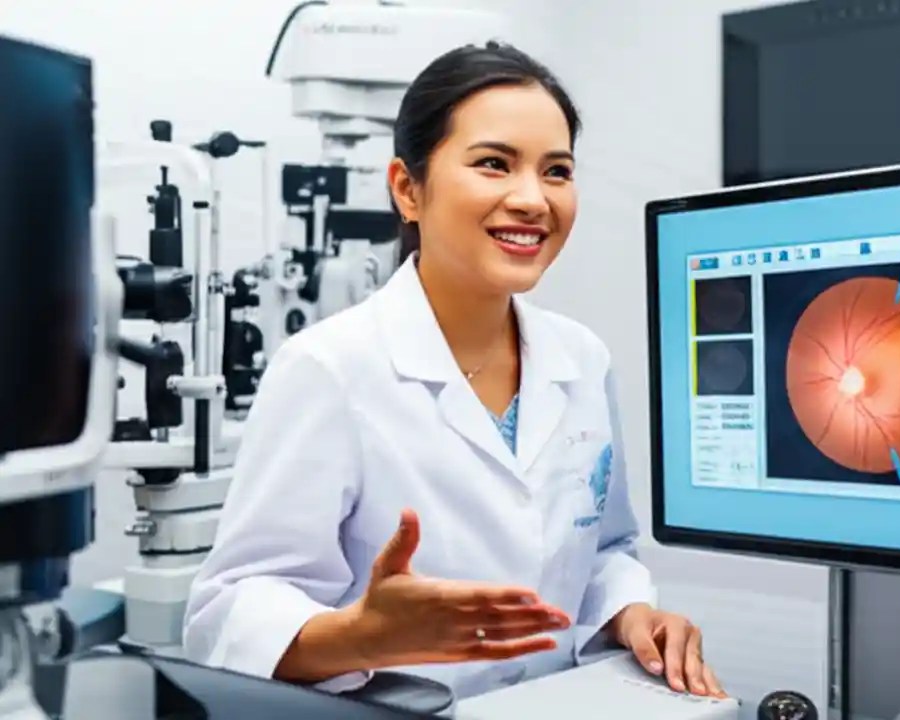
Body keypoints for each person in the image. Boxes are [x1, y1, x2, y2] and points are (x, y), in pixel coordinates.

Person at [182, 41, 725, 702]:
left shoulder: (581, 359)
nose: (533, 199)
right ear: (408, 189)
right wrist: (363, 635)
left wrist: (630, 614)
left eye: (556, 171)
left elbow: (607, 550)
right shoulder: (329, 368)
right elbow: (228, 612)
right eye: (494, 164)